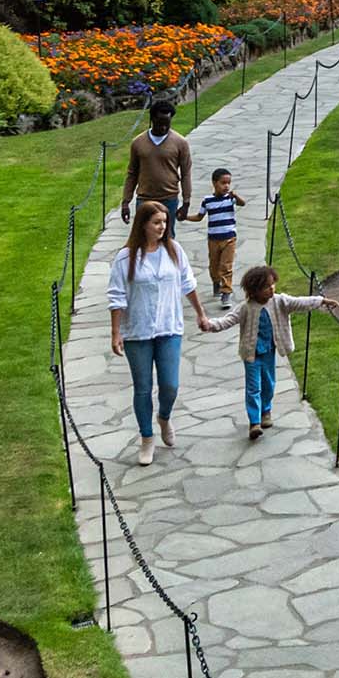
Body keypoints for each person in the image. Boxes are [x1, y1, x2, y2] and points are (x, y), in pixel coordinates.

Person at [107, 200, 209, 466]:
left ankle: (164, 416)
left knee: (170, 385)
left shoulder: (174, 250)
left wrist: (200, 313)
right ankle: (147, 437)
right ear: (143, 225)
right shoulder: (125, 258)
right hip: (137, 332)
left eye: (164, 222)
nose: (162, 227)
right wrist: (116, 332)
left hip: (168, 328)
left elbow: (188, 283)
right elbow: (116, 296)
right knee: (142, 388)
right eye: (157, 222)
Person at [200, 264, 338, 441]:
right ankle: (254, 422)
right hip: (251, 354)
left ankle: (266, 411)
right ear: (254, 290)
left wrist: (321, 301)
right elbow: (227, 320)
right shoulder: (246, 308)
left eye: (272, 284)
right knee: (253, 387)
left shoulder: (280, 301)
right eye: (266, 287)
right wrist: (209, 324)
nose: (271, 289)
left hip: (268, 352)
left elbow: (300, 302)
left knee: (269, 384)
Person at [119, 99, 193, 239]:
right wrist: (125, 202)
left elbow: (186, 174)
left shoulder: (180, 143)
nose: (164, 127)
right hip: (145, 198)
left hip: (169, 198)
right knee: (142, 237)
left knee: (167, 238)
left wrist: (186, 202)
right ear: (152, 119)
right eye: (160, 123)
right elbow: (132, 174)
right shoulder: (138, 143)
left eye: (167, 123)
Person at [198, 169, 246, 305]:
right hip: (213, 239)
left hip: (229, 238)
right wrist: (185, 217)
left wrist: (235, 196)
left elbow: (243, 203)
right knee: (214, 265)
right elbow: (199, 216)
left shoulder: (230, 199)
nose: (226, 186)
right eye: (223, 183)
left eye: (228, 183)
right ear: (214, 183)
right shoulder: (207, 201)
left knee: (226, 266)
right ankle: (216, 283)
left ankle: (226, 292)